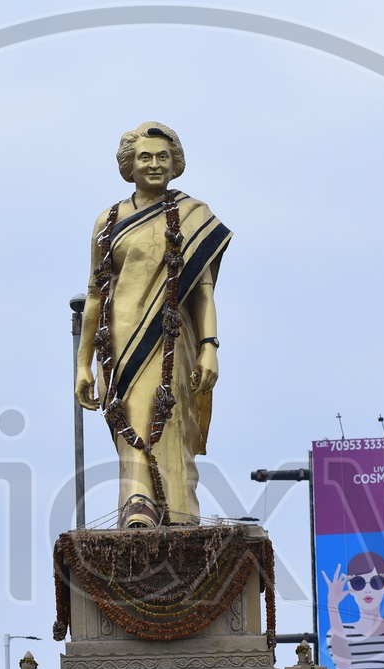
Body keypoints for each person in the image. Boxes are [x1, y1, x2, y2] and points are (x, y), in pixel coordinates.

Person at [74, 122, 232, 527]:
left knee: (163, 415)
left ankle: (162, 508)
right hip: (119, 340)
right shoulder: (108, 222)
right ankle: (138, 502)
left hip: (168, 338)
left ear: (175, 163)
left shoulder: (193, 215)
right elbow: (95, 294)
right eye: (145, 157)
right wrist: (82, 364)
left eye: (163, 156)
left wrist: (209, 345)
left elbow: (202, 291)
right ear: (130, 164)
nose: (155, 164)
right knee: (127, 413)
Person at [323, 550, 384, 669]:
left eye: (376, 582)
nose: (367, 590)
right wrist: (332, 605)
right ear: (350, 587)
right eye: (359, 583)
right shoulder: (338, 630)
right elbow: (343, 666)